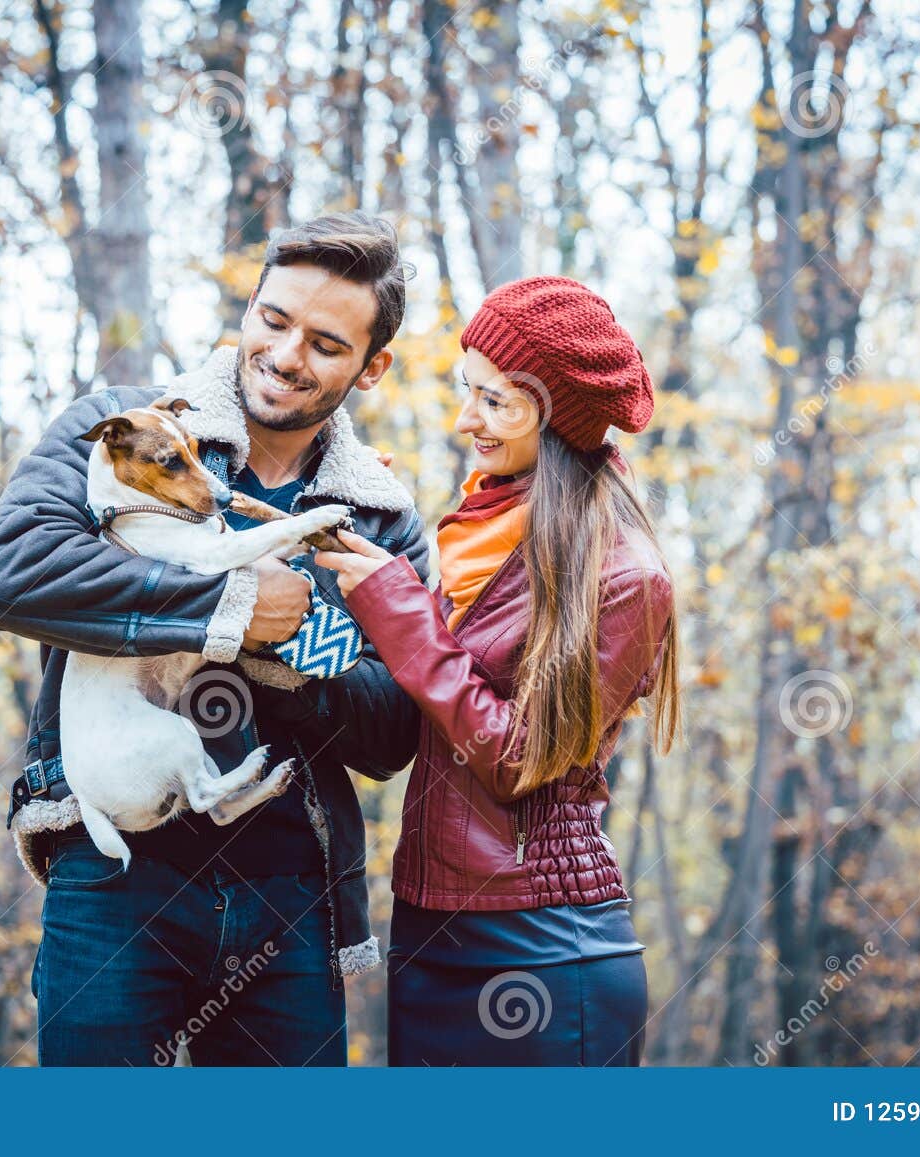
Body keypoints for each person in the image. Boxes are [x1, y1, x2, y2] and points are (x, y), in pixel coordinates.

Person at [0, 212, 429, 1066]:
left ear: (373, 368)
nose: (288, 354)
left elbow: (392, 731)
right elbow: (19, 573)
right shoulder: (122, 427)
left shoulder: (379, 517)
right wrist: (227, 604)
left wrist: (296, 644)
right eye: (274, 319)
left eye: (327, 344)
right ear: (249, 307)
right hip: (113, 873)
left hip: (290, 891)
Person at [315, 276, 682, 1066]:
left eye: (495, 401)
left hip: (546, 952)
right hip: (430, 933)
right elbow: (431, 708)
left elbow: (520, 759)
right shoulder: (479, 533)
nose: (464, 419)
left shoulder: (624, 575)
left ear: (554, 418)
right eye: (465, 390)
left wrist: (401, 609)